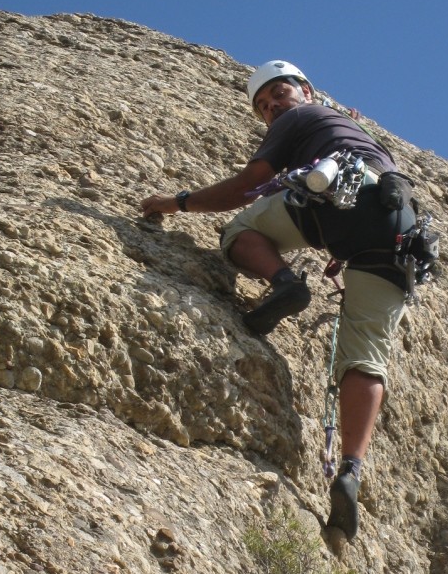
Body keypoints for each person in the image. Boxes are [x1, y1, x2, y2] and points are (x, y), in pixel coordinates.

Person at [141, 60, 417, 541]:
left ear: (306, 91)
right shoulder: (362, 135)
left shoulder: (301, 119)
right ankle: (350, 468)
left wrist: (174, 202)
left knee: (240, 231)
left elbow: (245, 188)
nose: (273, 109)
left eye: (279, 95)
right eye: (264, 107)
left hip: (335, 195)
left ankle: (285, 282)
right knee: (366, 359)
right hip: (399, 231)